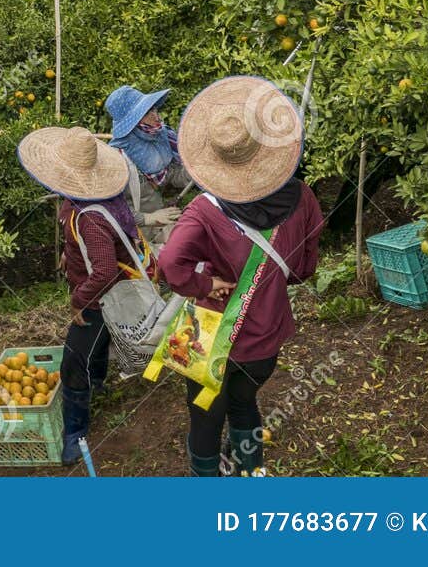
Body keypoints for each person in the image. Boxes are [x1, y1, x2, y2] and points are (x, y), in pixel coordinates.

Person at [157, 76, 322, 477]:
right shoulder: (302, 198)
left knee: (205, 418)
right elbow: (304, 269)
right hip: (265, 335)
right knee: (245, 403)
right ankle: (251, 474)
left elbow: (171, 265)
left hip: (209, 333)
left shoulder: (204, 210)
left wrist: (206, 284)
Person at [18, 125, 150, 466]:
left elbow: (104, 271)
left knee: (73, 362)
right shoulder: (85, 200)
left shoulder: (90, 217)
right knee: (97, 341)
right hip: (104, 290)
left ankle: (76, 433)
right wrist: (70, 251)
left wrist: (80, 300)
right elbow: (90, 243)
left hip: (102, 294)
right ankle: (100, 382)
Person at [105, 84, 187, 215]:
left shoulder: (162, 136)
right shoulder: (116, 157)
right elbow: (112, 208)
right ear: (134, 122)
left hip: (163, 222)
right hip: (137, 231)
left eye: (154, 109)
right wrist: (148, 219)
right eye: (147, 113)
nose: (156, 117)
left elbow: (173, 175)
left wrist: (197, 169)